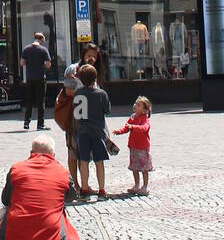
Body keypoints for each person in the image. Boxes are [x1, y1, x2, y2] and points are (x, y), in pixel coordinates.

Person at [0, 132, 79, 240]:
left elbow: (6, 200)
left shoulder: (16, 169)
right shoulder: (62, 173)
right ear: (53, 155)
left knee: (2, 214)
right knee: (68, 229)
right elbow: (71, 197)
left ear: (31, 152)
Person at [73, 64, 112, 198]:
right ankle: (101, 189)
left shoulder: (78, 93)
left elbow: (76, 115)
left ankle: (84, 189)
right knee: (99, 161)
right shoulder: (101, 94)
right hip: (98, 132)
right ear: (95, 78)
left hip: (82, 131)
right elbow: (107, 111)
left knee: (84, 161)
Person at [114, 95, 153, 195]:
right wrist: (119, 131)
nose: (135, 105)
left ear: (144, 110)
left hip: (142, 148)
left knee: (144, 168)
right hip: (133, 147)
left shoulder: (145, 119)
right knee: (134, 167)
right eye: (135, 103)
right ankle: (136, 185)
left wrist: (133, 127)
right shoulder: (132, 117)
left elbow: (144, 128)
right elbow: (126, 128)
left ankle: (145, 187)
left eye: (138, 105)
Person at [53, 69, 82, 193]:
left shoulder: (92, 71)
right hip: (73, 119)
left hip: (85, 119)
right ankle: (75, 183)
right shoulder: (73, 70)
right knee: (73, 152)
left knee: (84, 154)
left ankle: (84, 183)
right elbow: (69, 91)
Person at [20, 31, 51, 131]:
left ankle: (26, 123)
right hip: (40, 78)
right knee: (40, 102)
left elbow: (22, 63)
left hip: (29, 78)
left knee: (29, 101)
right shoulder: (43, 50)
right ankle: (40, 124)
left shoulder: (26, 49)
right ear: (41, 39)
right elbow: (48, 64)